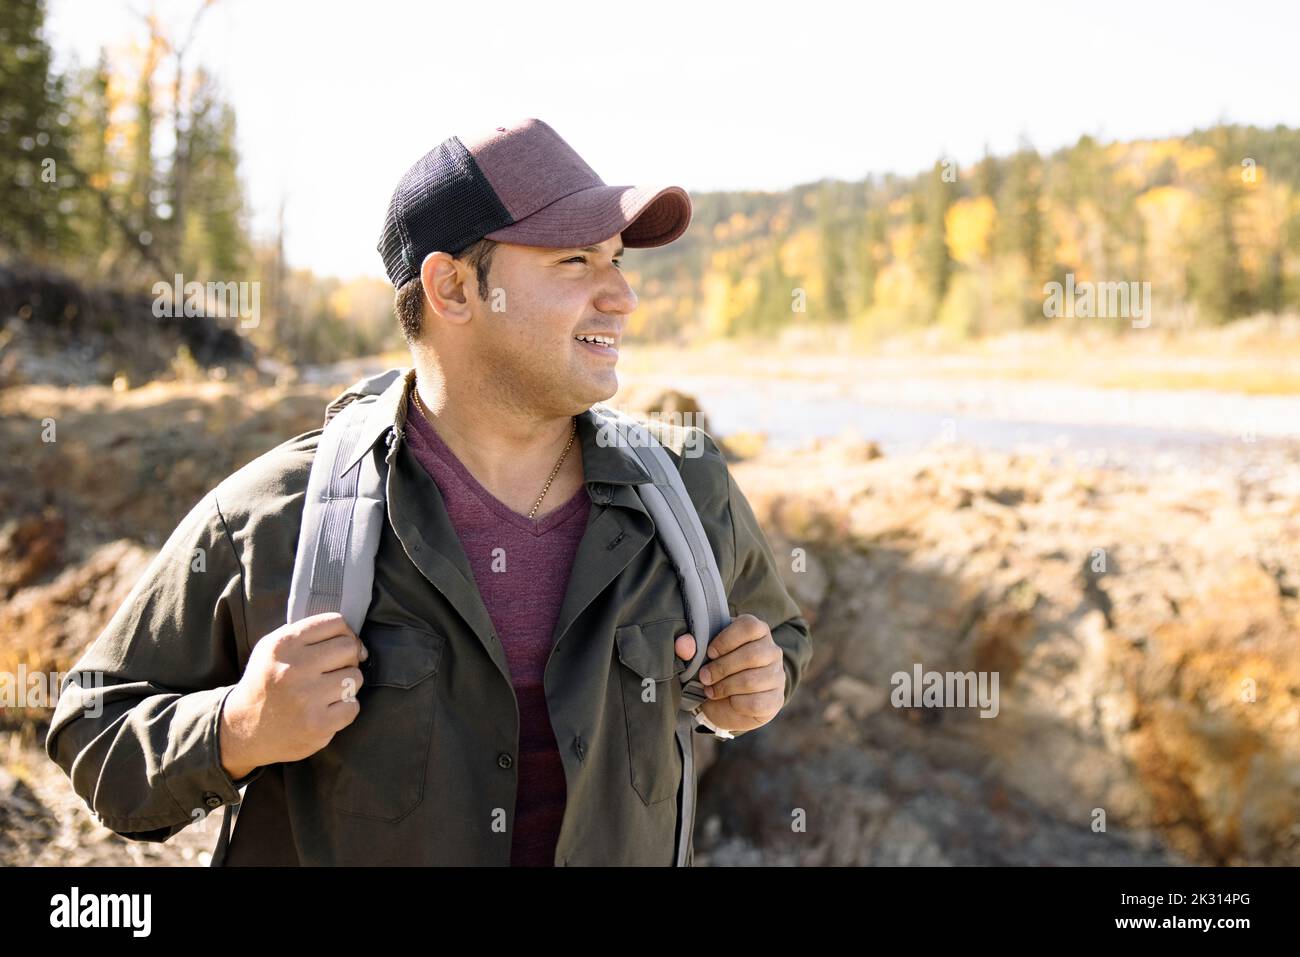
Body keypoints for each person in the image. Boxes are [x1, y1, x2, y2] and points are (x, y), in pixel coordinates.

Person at [45, 117, 813, 866]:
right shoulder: (275, 518)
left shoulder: (687, 489)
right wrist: (238, 727)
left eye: (617, 260)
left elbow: (777, 639)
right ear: (451, 288)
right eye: (576, 262)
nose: (621, 296)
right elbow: (93, 729)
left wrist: (758, 684)